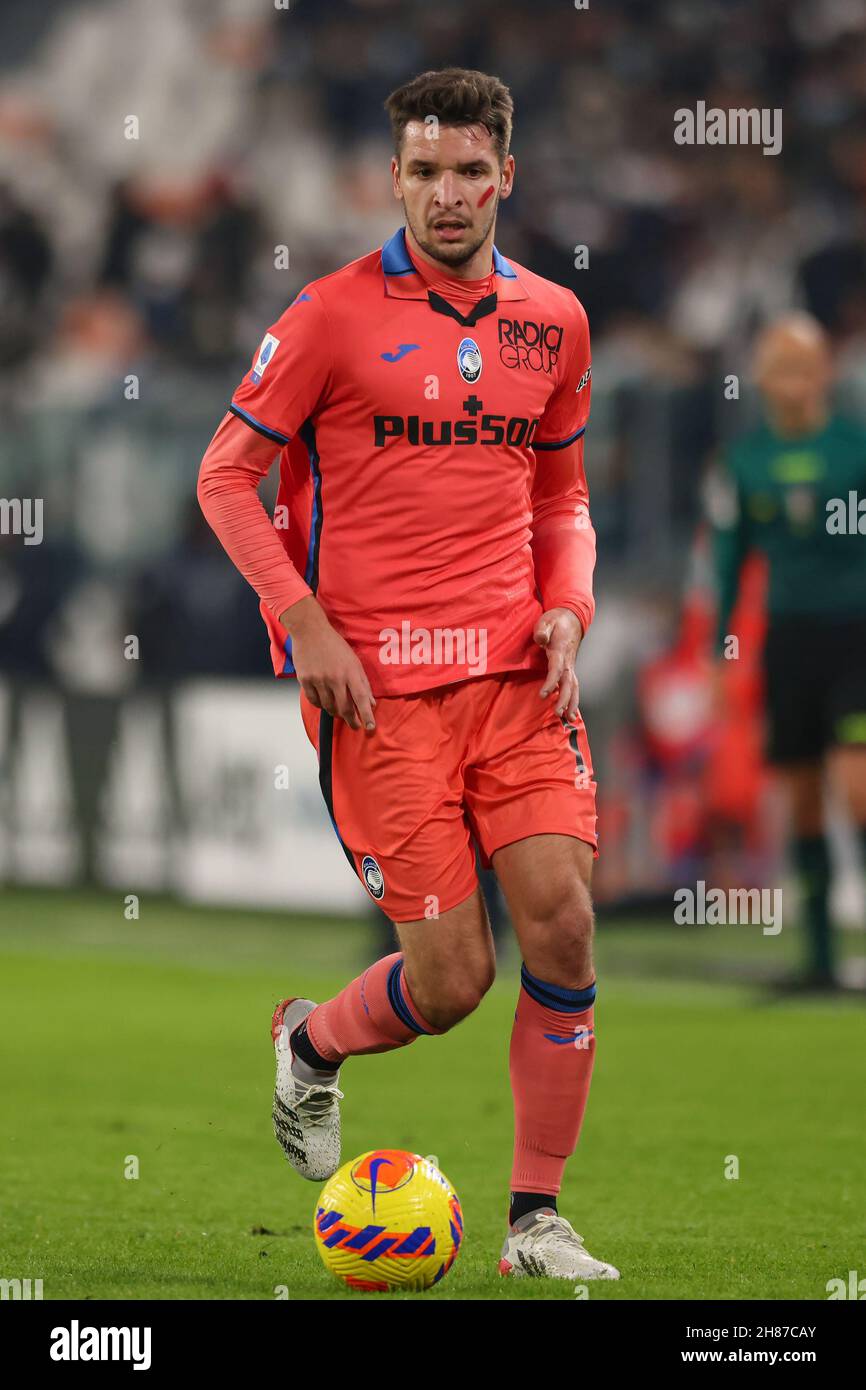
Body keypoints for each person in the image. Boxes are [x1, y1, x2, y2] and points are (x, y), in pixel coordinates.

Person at [197, 67, 617, 1280]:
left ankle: (533, 1222)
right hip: (377, 696)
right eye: (424, 171)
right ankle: (313, 1041)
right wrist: (303, 622)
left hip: (515, 678)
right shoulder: (327, 315)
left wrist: (566, 608)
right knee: (453, 982)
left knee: (565, 927)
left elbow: (561, 492)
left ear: (505, 177)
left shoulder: (555, 321)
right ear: (393, 178)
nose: (446, 194)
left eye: (468, 172)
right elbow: (226, 477)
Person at [707, 313, 866, 991]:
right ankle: (822, 961)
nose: (792, 381)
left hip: (856, 634)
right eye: (779, 367)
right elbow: (729, 561)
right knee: (802, 797)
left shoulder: (855, 450)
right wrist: (723, 652)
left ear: (824, 371)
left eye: (804, 365)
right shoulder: (745, 462)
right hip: (789, 639)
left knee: (858, 790)